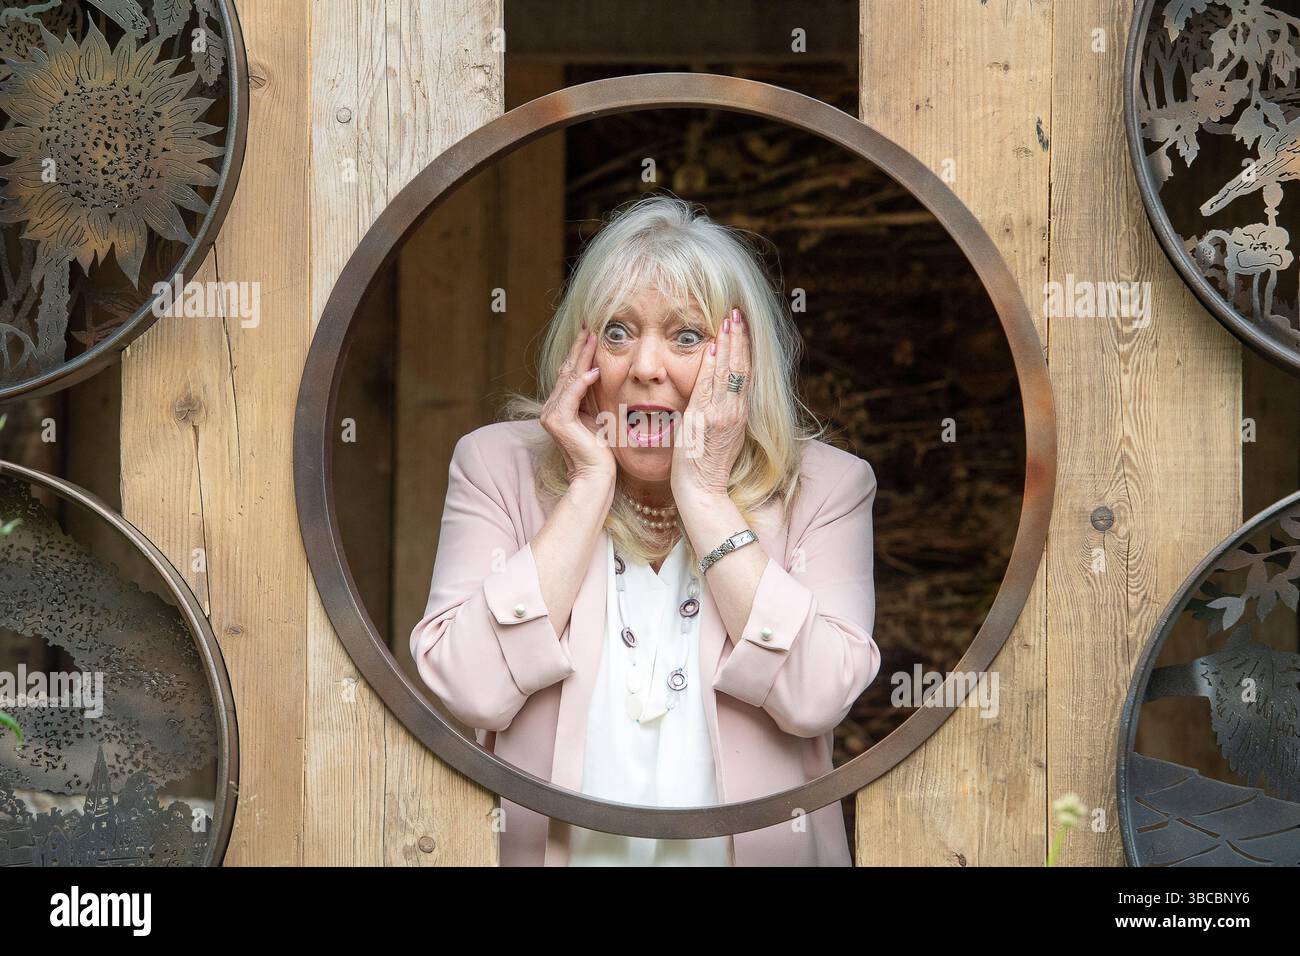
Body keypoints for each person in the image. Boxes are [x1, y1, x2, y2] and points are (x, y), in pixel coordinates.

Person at [409, 193, 880, 866]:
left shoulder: (827, 486)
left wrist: (705, 495)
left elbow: (816, 697)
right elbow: (469, 688)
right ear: (582, 350)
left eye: (687, 337)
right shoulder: (496, 465)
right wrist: (587, 488)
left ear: (741, 365)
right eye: (619, 332)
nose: (646, 367)